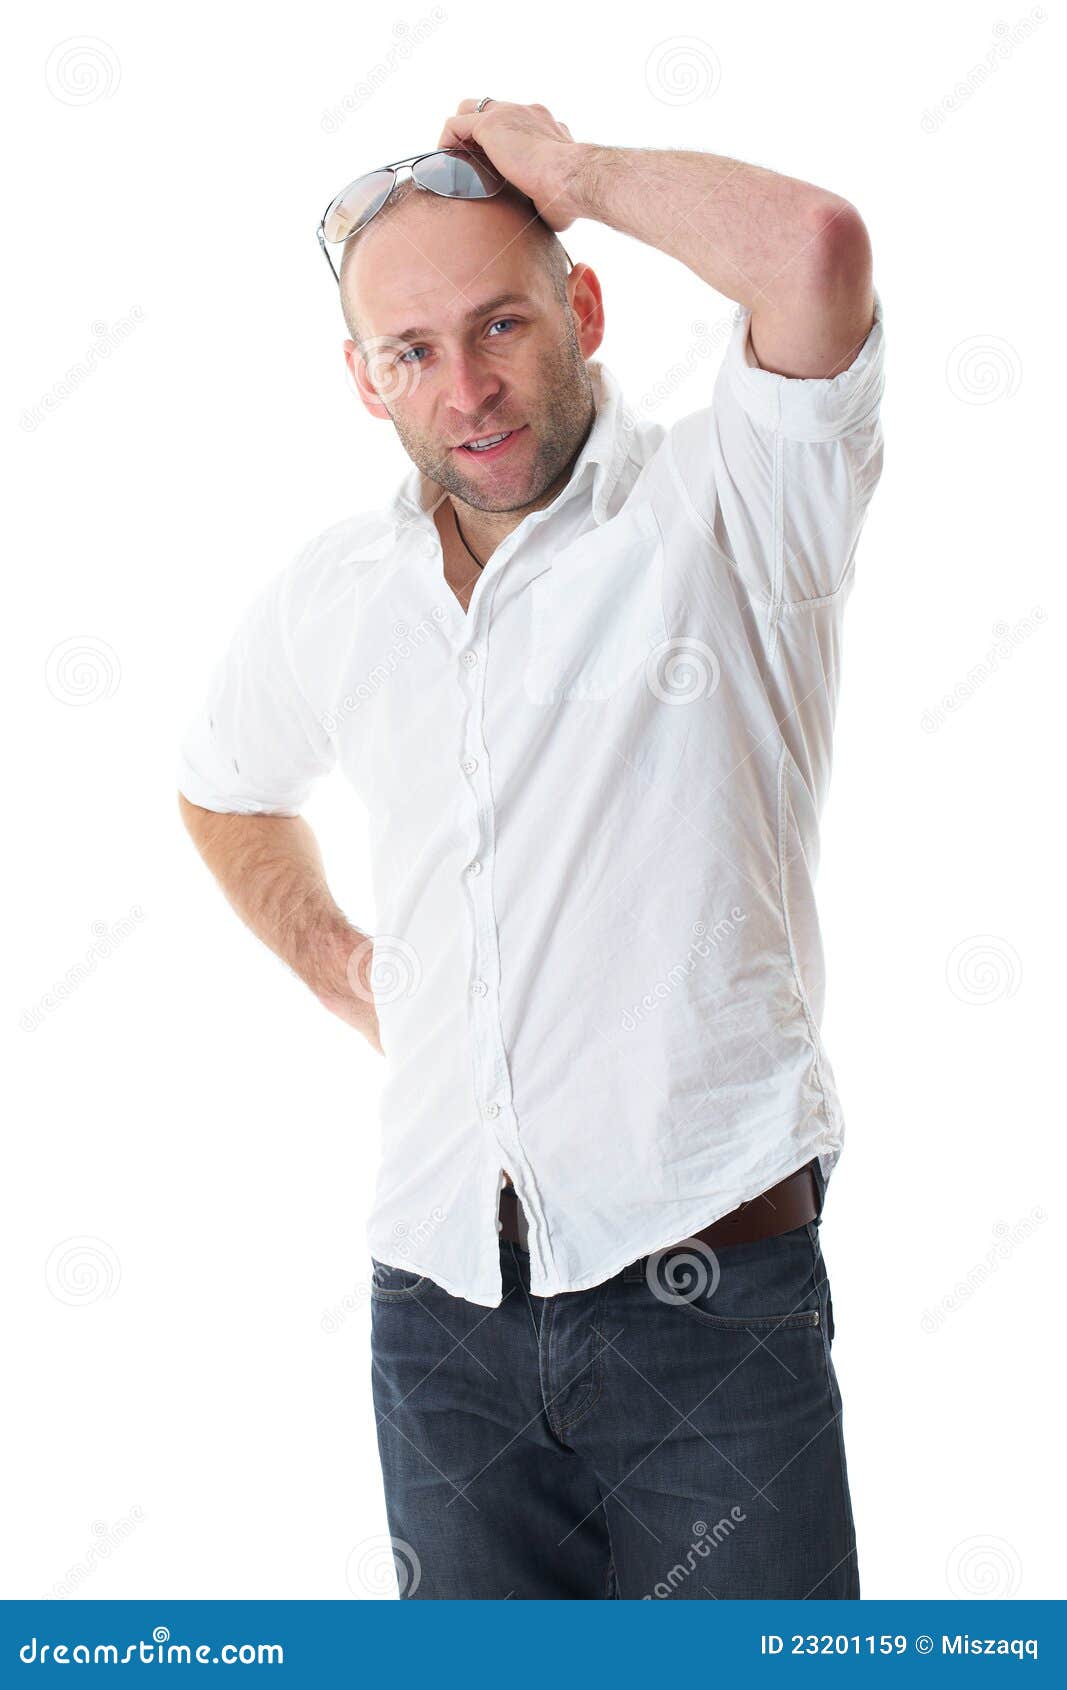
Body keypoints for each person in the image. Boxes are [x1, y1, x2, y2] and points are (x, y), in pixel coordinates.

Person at [177, 97, 885, 1599]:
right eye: (413, 352)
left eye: (501, 324)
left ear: (584, 306)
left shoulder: (735, 511)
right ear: (366, 385)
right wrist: (339, 961)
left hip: (712, 1295)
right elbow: (224, 786)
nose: (469, 389)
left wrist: (581, 176)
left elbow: (817, 253)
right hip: (438, 1319)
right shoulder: (339, 592)